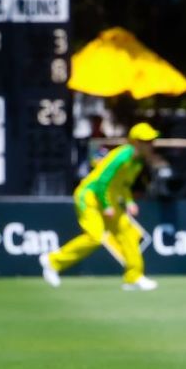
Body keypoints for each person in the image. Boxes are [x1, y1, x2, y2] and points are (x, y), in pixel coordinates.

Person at [39, 122, 160, 291]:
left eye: (151, 141)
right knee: (95, 237)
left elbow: (124, 185)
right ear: (135, 142)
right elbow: (102, 181)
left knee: (128, 232)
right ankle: (53, 261)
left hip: (108, 200)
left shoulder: (137, 163)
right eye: (146, 141)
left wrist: (129, 201)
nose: (150, 144)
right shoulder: (122, 156)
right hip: (89, 195)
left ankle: (134, 277)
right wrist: (106, 205)